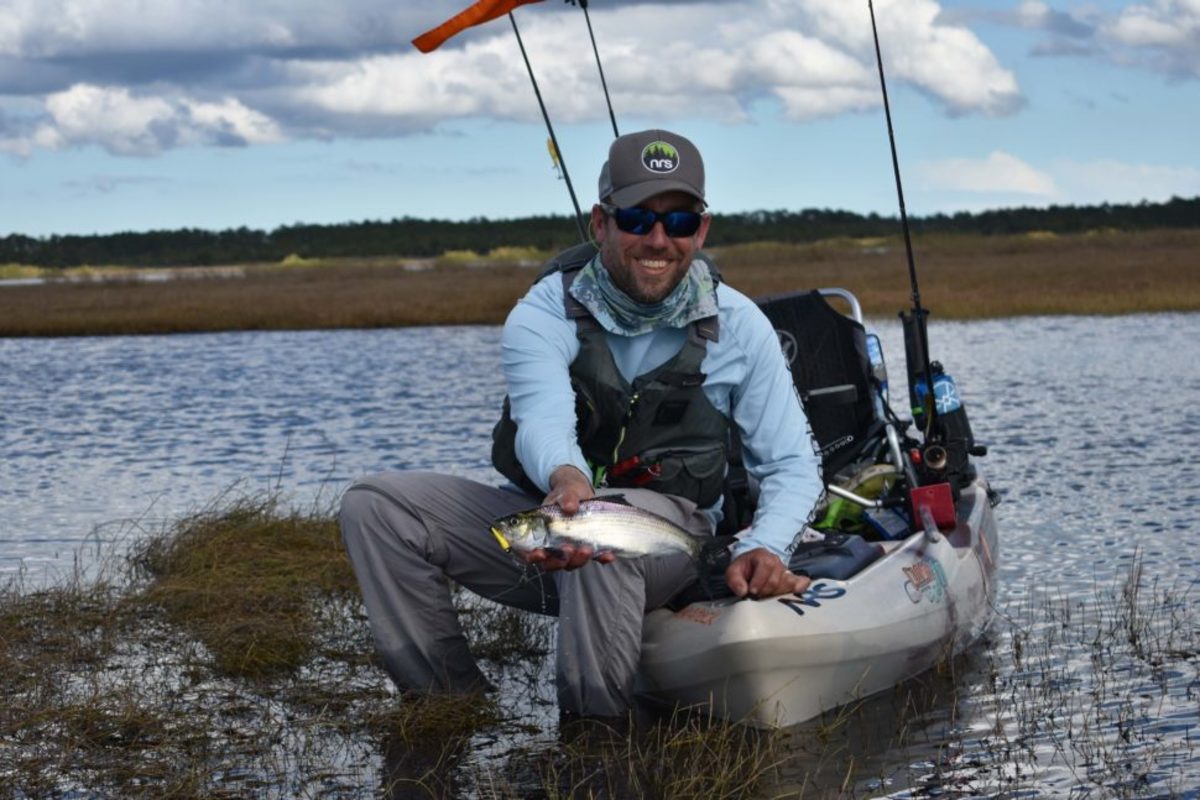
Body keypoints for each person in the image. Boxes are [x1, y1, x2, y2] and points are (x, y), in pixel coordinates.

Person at [339, 128, 822, 721]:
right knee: (376, 506)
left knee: (600, 548)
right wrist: (567, 478)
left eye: (678, 222)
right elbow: (541, 420)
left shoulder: (741, 325)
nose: (658, 239)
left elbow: (793, 463)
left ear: (702, 230)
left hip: (673, 547)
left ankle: (595, 746)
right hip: (549, 531)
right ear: (601, 224)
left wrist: (766, 545)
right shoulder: (543, 311)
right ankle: (447, 706)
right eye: (637, 218)